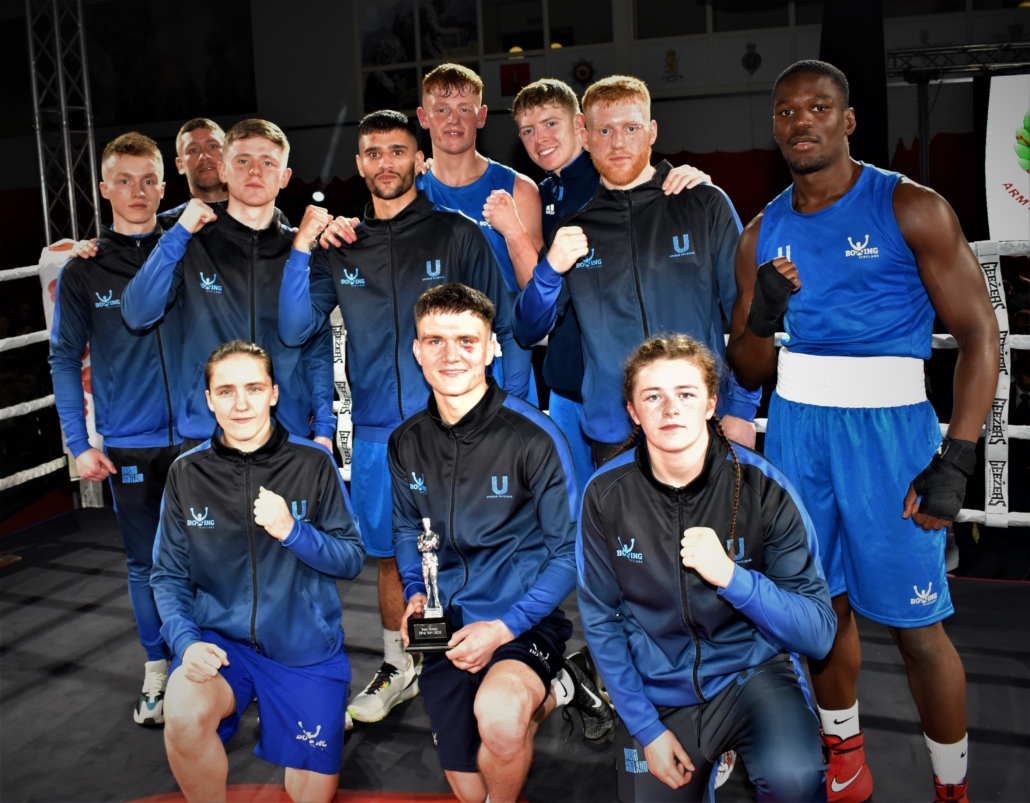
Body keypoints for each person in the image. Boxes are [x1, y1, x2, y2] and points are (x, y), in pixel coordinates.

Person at [726, 60, 1000, 803]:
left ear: (847, 120)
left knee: (919, 627)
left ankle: (952, 786)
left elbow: (979, 336)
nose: (801, 122)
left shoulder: (911, 206)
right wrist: (763, 315)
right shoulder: (762, 231)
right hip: (797, 434)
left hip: (890, 438)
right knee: (822, 611)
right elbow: (747, 367)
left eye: (818, 108)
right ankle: (843, 750)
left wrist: (957, 458)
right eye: (786, 111)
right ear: (776, 126)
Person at [279, 110, 526, 726]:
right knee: (392, 555)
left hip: (462, 425)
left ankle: (487, 661)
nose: (385, 162)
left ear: (419, 161)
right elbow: (293, 327)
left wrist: (514, 410)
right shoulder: (342, 246)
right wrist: (304, 245)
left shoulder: (458, 233)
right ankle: (402, 664)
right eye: (372, 152)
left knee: (475, 546)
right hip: (377, 432)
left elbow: (509, 326)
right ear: (359, 164)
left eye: (397, 151)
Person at [578, 334, 835, 802]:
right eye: (652, 396)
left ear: (711, 403)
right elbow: (601, 619)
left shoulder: (764, 488)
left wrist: (734, 578)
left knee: (794, 778)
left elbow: (818, 634)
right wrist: (646, 728)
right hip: (659, 687)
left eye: (686, 394)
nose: (669, 408)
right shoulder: (604, 494)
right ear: (633, 412)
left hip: (752, 674)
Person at [392, 284, 607, 803]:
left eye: (467, 341)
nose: (451, 355)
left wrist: (505, 626)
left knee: (503, 721)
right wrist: (415, 594)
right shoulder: (407, 440)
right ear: (417, 350)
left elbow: (567, 554)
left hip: (521, 620)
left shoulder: (536, 437)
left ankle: (538, 686)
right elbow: (405, 530)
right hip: (447, 626)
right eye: (435, 341)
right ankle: (561, 688)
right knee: (474, 786)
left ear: (492, 348)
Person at [151, 340, 364, 803]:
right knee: (184, 711)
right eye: (225, 391)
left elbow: (350, 559)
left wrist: (292, 531)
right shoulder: (186, 473)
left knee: (308, 793)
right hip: (223, 644)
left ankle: (309, 718)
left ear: (274, 393)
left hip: (302, 647)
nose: (240, 403)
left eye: (253, 388)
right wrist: (188, 643)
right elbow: (167, 575)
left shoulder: (313, 462)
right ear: (209, 399)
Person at [514, 75, 761, 466]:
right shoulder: (576, 229)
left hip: (698, 423)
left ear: (651, 131)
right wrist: (549, 268)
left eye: (631, 128)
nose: (618, 143)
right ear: (585, 134)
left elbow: (747, 312)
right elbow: (528, 329)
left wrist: (743, 410)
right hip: (614, 435)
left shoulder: (702, 204)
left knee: (708, 531)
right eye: (605, 130)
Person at [48, 132, 181, 727]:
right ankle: (157, 670)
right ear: (103, 189)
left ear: (164, 184)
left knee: (216, 552)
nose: (136, 192)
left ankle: (217, 665)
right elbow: (61, 355)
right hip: (131, 440)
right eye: (122, 180)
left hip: (203, 436)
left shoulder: (190, 246)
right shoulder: (83, 269)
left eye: (147, 179)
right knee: (144, 563)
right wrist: (79, 444)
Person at [121, 119, 335, 451]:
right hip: (207, 433)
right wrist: (177, 234)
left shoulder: (303, 248)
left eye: (267, 162)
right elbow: (137, 315)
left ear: (284, 177)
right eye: (243, 161)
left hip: (287, 431)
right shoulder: (190, 242)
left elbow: (317, 345)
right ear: (223, 170)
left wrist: (323, 426)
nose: (254, 172)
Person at [174, 118, 228, 203]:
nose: (204, 156)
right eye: (193, 150)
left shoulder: (255, 214)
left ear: (228, 154)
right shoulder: (166, 217)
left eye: (212, 146)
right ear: (180, 165)